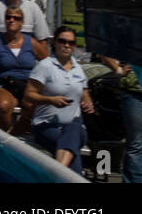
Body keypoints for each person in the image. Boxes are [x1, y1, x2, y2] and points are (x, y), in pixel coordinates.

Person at [24, 27, 94, 175]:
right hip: (47, 126)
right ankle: (64, 175)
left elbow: (85, 94)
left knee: (73, 128)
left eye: (71, 42)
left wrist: (88, 103)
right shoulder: (45, 66)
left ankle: (56, 174)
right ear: (54, 43)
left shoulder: (78, 68)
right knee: (71, 148)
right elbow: (28, 95)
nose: (67, 45)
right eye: (62, 41)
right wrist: (50, 100)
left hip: (74, 127)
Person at [0, 8, 48, 133]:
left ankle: (15, 132)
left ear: (22, 22)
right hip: (2, 84)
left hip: (25, 85)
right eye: (8, 17)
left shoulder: (31, 42)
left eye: (16, 18)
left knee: (35, 104)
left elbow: (49, 64)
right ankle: (1, 136)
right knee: (4, 105)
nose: (11, 20)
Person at [95, 54, 142, 183]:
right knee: (136, 144)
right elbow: (104, 48)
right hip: (135, 93)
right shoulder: (135, 34)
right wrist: (118, 69)